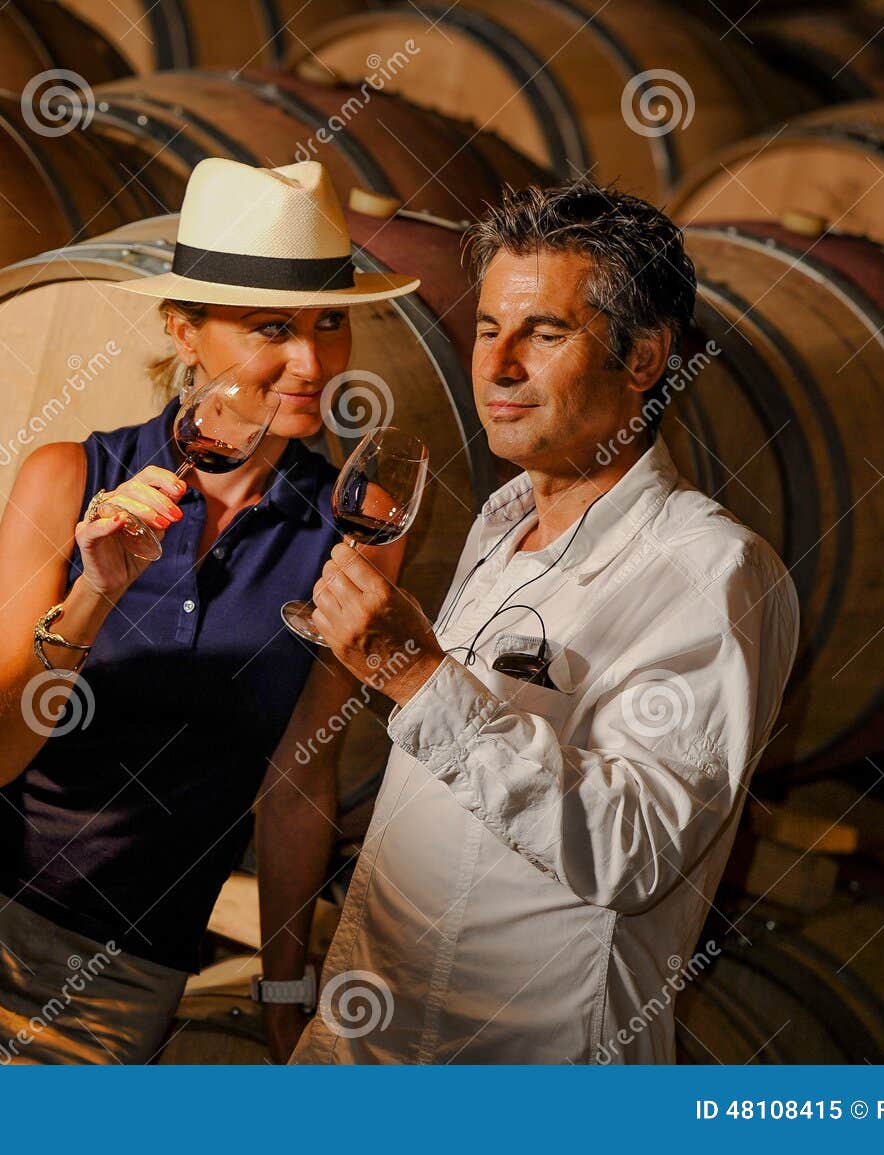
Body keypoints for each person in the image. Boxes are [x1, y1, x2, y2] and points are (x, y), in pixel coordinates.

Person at [0, 158, 420, 1065]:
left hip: (121, 977)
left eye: (328, 324)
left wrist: (285, 987)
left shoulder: (358, 528)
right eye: (274, 327)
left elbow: (296, 780)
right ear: (184, 330)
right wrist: (93, 594)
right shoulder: (69, 477)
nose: (312, 361)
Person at [288, 181, 801, 1064]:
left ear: (643, 358)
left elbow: (633, 852)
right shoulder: (503, 518)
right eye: (489, 329)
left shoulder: (711, 569)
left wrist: (417, 676)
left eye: (545, 333)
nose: (496, 365)